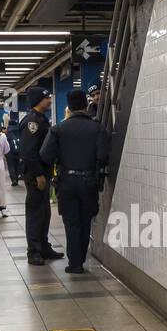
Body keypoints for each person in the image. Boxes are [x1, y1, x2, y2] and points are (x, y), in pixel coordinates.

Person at [41, 88, 109, 273]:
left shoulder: (58, 129)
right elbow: (103, 156)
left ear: (69, 107)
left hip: (66, 183)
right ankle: (81, 258)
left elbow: (45, 155)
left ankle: (75, 263)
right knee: (85, 221)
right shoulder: (97, 128)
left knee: (71, 223)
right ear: (85, 106)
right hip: (89, 181)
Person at [19, 86, 64, 265]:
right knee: (35, 213)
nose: (50, 101)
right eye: (47, 98)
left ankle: (44, 247)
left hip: (43, 171)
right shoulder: (32, 121)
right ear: (39, 100)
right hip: (35, 174)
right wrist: (38, 174)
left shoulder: (40, 119)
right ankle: (34, 251)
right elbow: (28, 151)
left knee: (44, 212)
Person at [5, 114, 23, 186]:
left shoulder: (8, 132)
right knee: (17, 164)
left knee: (11, 166)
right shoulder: (19, 131)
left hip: (9, 152)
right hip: (18, 151)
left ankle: (13, 179)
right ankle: (17, 177)